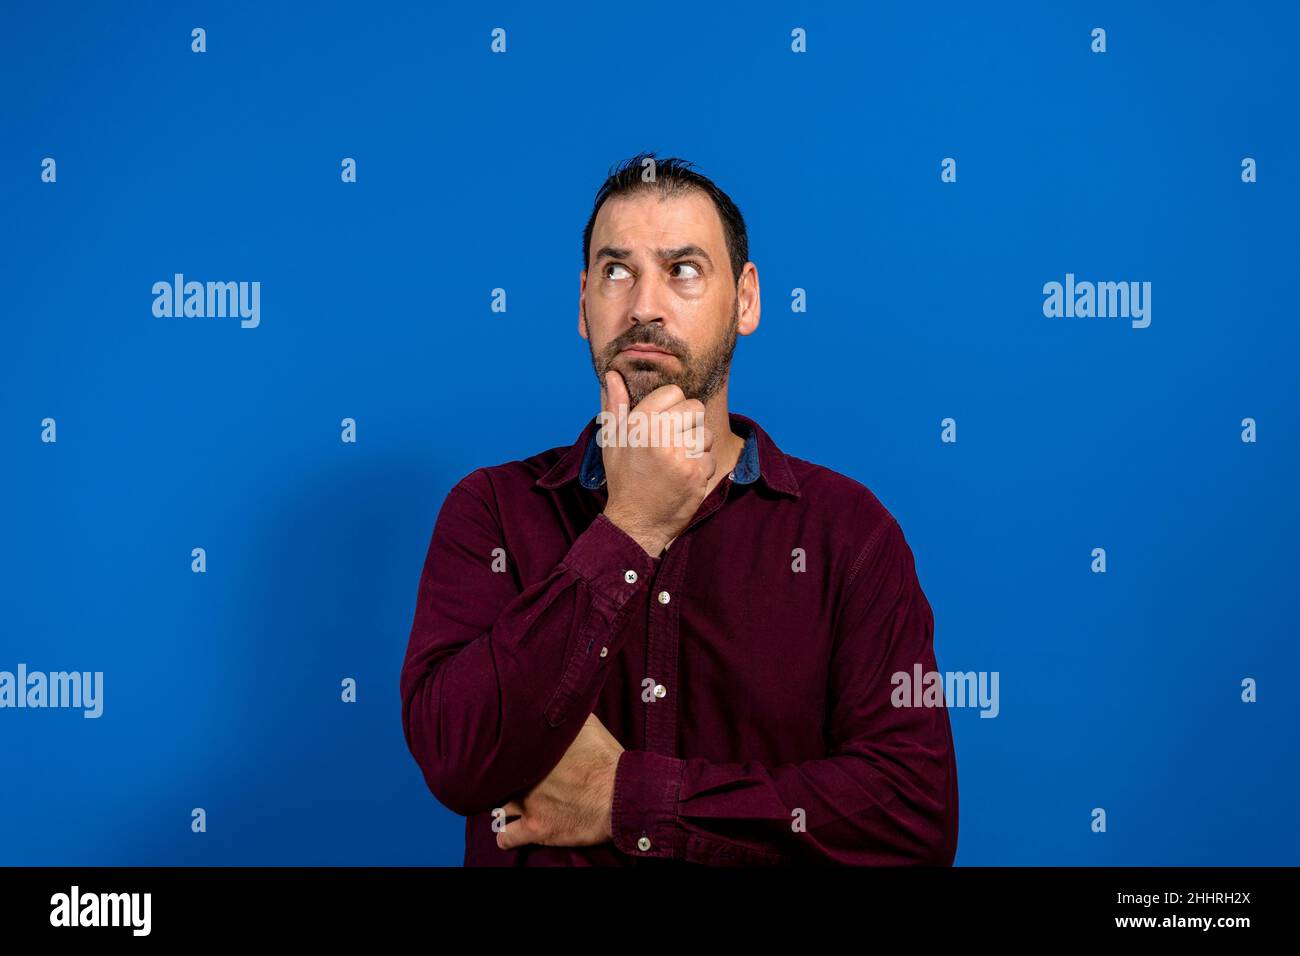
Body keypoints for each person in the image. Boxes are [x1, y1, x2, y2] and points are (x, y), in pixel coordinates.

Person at [399, 152, 958, 865]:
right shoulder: (491, 513)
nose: (643, 306)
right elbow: (456, 757)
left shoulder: (848, 533)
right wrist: (630, 528)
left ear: (746, 301)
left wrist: (626, 796)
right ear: (582, 306)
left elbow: (915, 820)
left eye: (683, 269)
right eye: (615, 271)